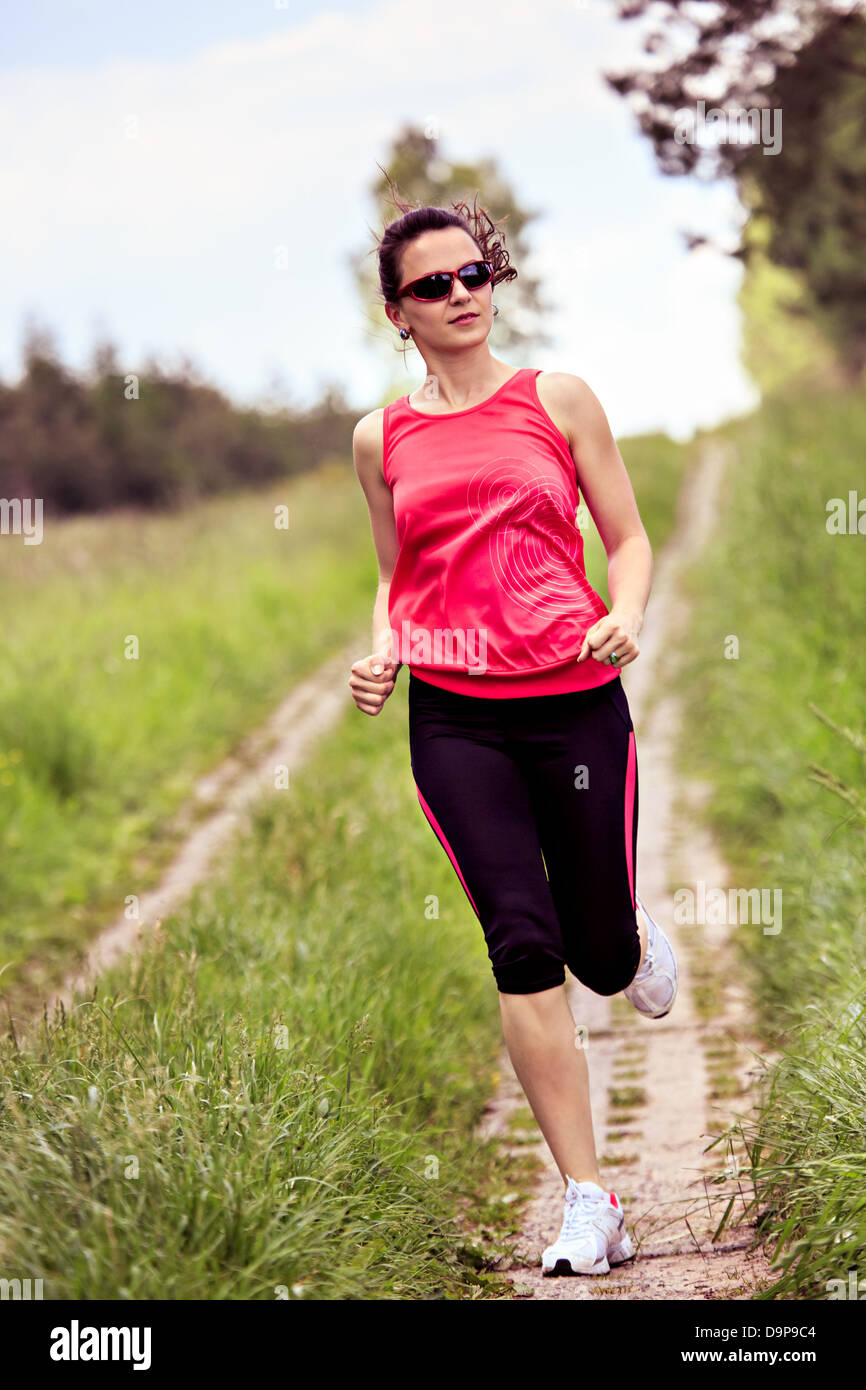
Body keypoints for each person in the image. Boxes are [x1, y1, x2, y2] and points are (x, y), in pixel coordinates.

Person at [349, 189, 677, 1278]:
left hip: (574, 694)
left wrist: (622, 612)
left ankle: (627, 937)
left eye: (471, 274)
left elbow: (625, 539)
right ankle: (590, 1198)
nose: (458, 296)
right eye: (430, 286)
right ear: (396, 311)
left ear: (493, 276)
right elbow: (398, 581)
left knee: (595, 947)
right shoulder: (380, 438)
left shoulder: (559, 398)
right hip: (454, 718)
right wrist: (383, 648)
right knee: (523, 948)